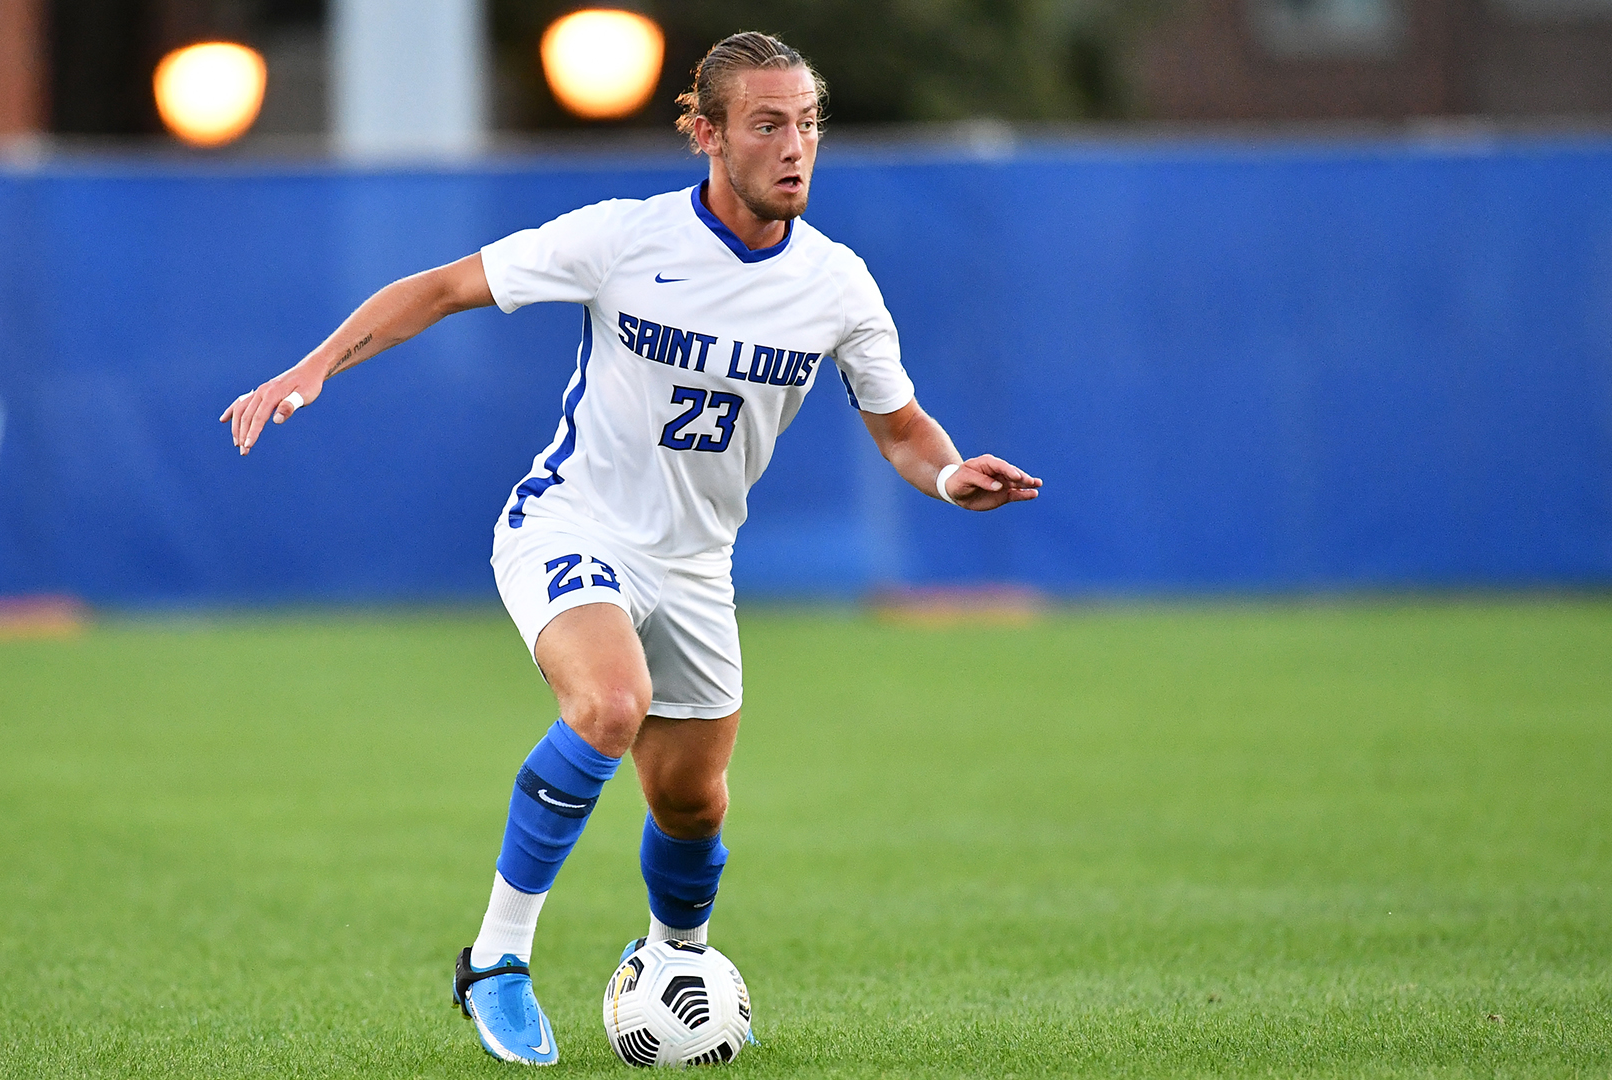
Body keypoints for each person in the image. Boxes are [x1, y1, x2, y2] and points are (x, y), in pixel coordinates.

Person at [219, 30, 1041, 1066]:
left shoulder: (837, 285)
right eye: (768, 124)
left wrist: (950, 473)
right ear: (706, 134)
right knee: (608, 705)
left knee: (692, 802)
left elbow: (901, 426)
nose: (796, 147)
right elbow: (440, 287)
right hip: (571, 526)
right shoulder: (622, 237)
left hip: (699, 566)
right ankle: (496, 958)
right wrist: (314, 369)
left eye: (809, 124)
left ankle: (675, 959)